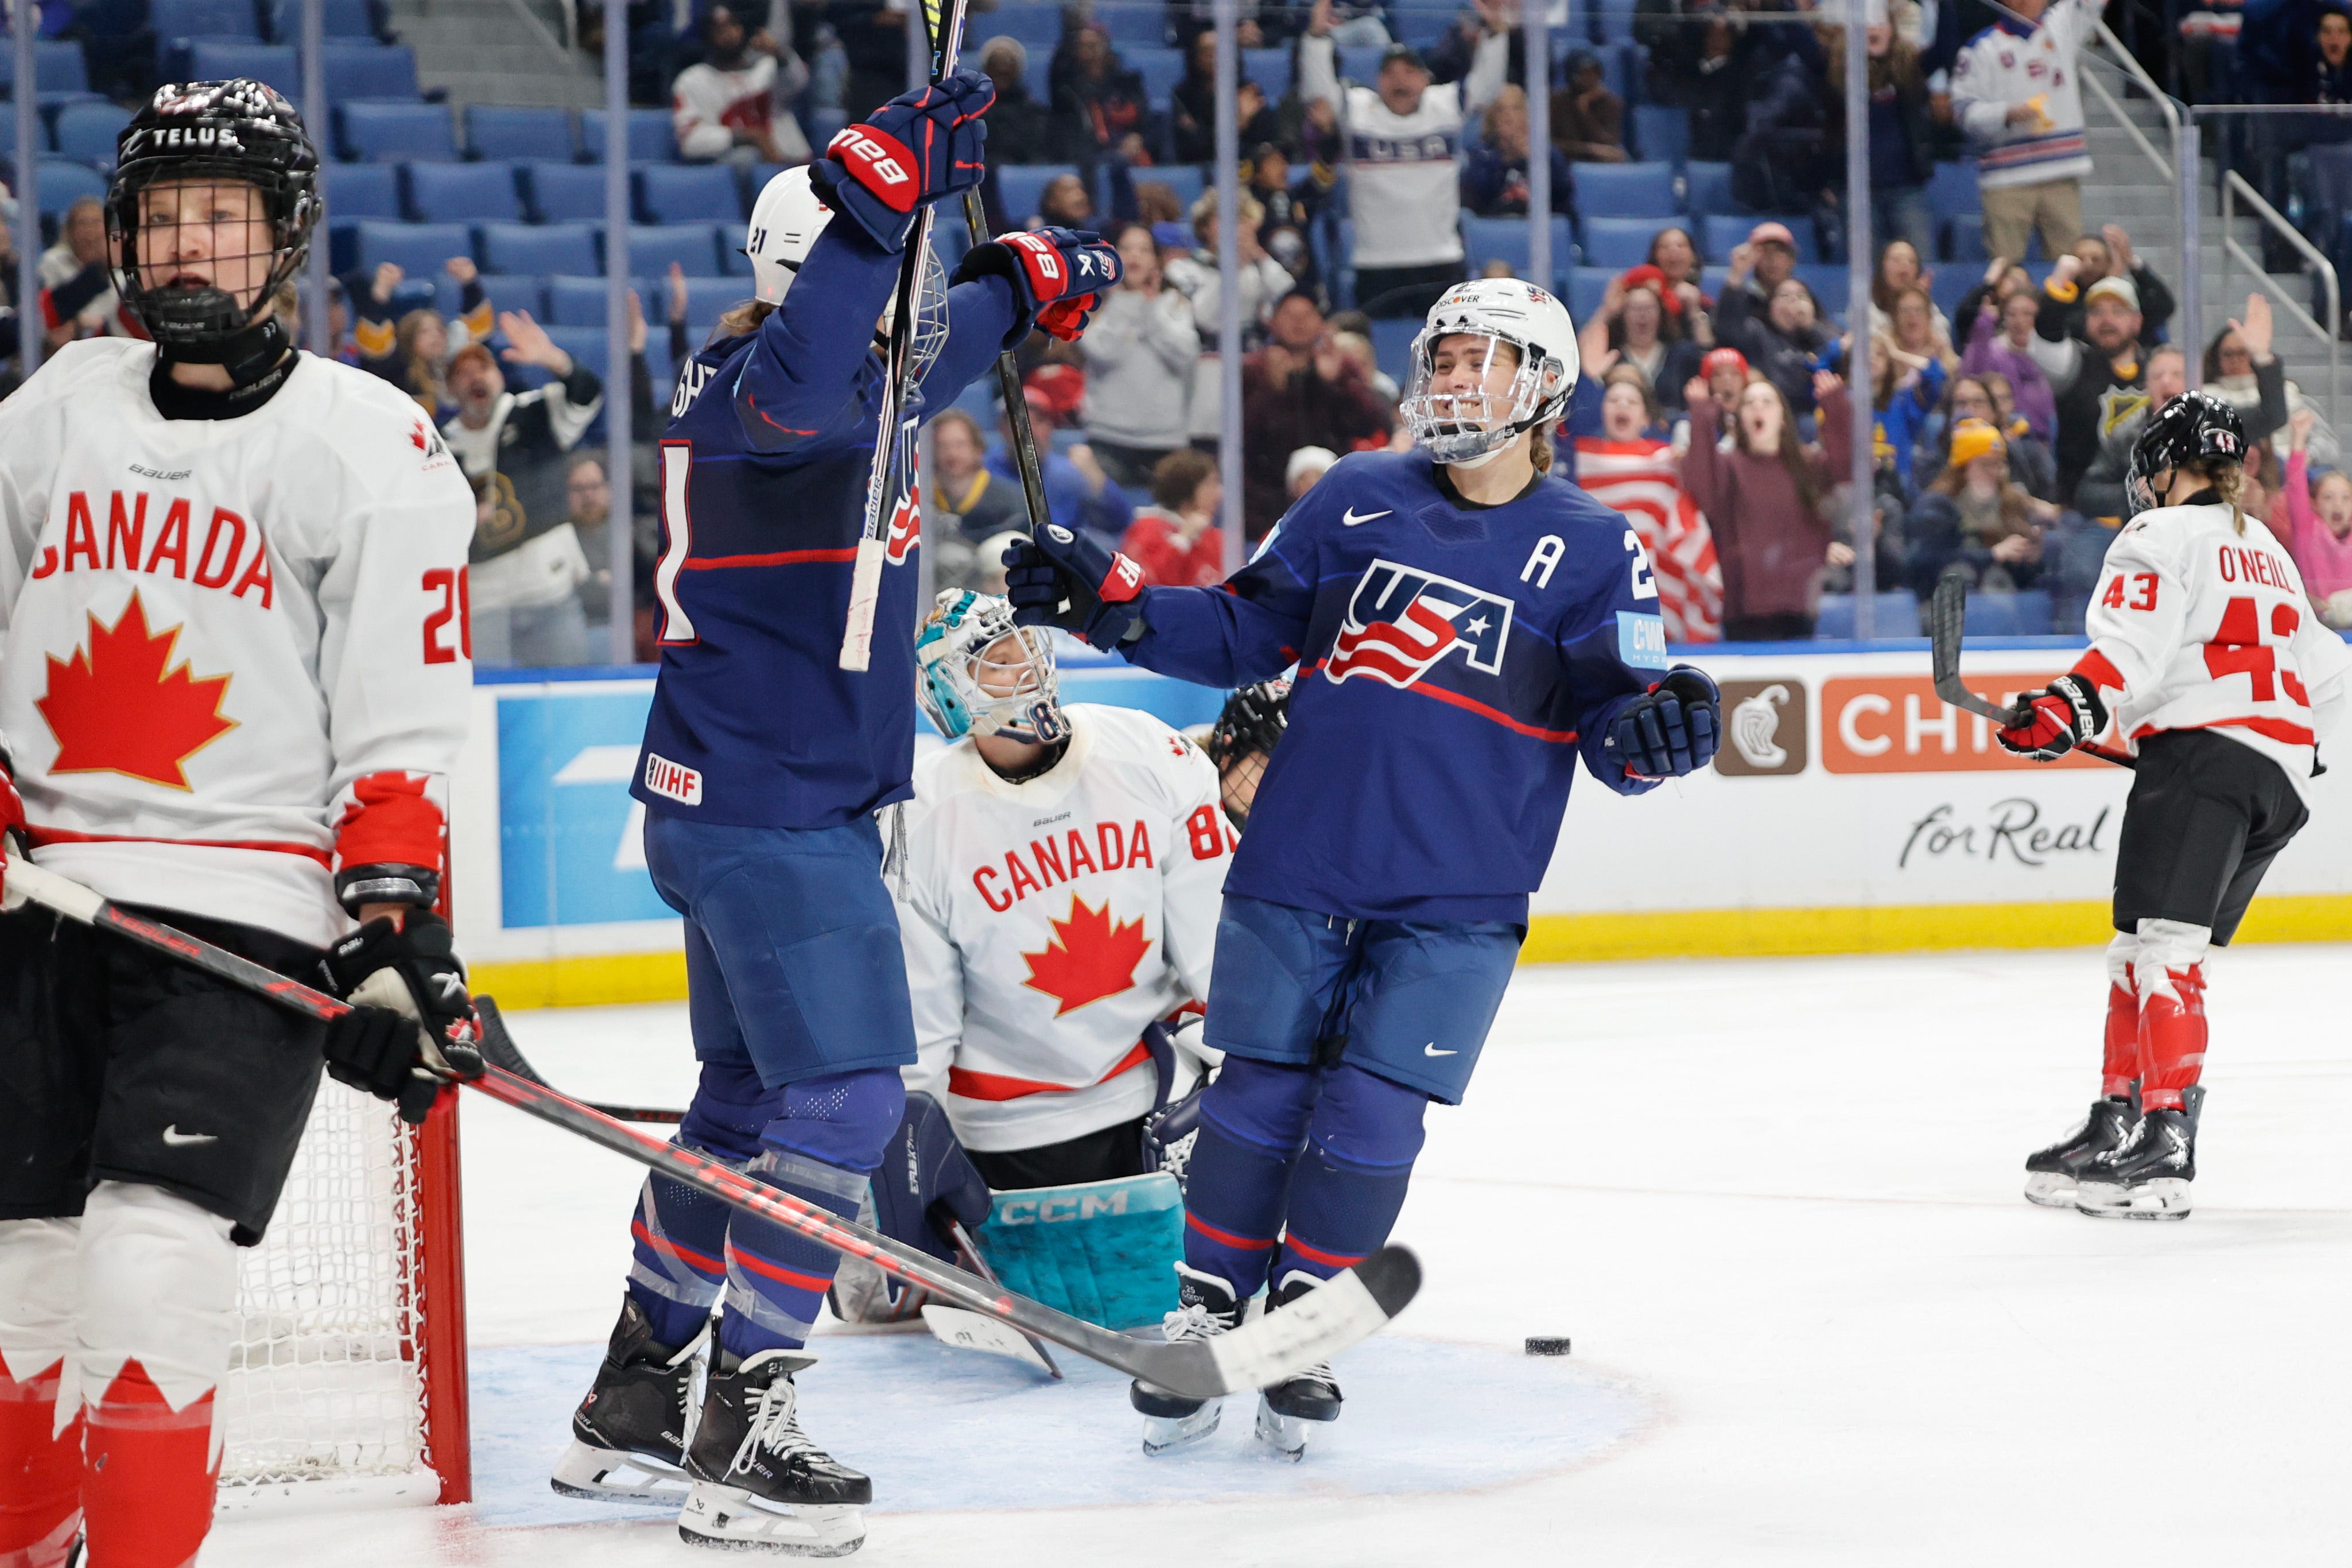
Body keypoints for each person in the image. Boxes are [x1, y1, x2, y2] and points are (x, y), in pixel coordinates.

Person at [1007, 276, 1720, 1458]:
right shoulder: (1353, 493)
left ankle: (1305, 1322)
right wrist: (1117, 609)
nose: (1454, 378)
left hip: (1459, 896)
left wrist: (1659, 735)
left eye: (1483, 359)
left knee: (1372, 1110)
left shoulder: (1597, 548)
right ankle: (1209, 1308)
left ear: (1546, 387)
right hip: (1302, 859)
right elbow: (1244, 628)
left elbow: (1619, 731)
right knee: (1255, 1096)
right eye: (1444, 357)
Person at [552, 79, 1119, 1548]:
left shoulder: (832, 370)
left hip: (728, 803)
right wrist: (885, 201)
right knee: (852, 1101)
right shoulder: (783, 394)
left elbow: (927, 340)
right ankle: (744, 1418)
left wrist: (1025, 274)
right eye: (885, 284)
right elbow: (824, 364)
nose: (909, 322)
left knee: (743, 1105)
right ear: (832, 271)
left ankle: (637, 1385)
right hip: (779, 812)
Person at [0, 78, 479, 1568]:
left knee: (150, 1274)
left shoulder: (373, 444)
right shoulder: (54, 410)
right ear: (123, 238)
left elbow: (400, 721)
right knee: (20, 1285)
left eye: (224, 215)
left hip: (246, 913)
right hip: (37, 893)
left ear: (285, 236)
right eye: (163, 218)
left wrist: (392, 930)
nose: (190, 246)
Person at [2006, 393, 2349, 1220]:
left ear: (2165, 466)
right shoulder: (2266, 547)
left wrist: (2067, 706)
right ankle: (2117, 1118)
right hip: (2274, 780)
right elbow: (2330, 671)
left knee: (2164, 951)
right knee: (2141, 947)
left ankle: (2163, 1141)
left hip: (2203, 763)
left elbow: (2131, 646)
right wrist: (2284, 745)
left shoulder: (2158, 534)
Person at [891, 589, 1226, 1189]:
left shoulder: (1145, 750)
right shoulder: (922, 819)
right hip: (1006, 1125)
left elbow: (1216, 939)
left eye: (1026, 644)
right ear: (950, 691)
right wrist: (911, 1140)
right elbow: (923, 1014)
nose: (1025, 665)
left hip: (1159, 1085)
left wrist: (1250, 1062)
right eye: (998, 660)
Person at [1299, 0, 1509, 317]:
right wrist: (1316, 37)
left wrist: (1496, 32)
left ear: (1425, 79)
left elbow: (1487, 88)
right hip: (1375, 262)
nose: (1400, 81)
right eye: (1390, 74)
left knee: (1444, 344)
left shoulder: (1446, 106)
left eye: (1409, 72)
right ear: (1377, 81)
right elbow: (1320, 97)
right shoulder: (1357, 110)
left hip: (1440, 258)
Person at [440, 313, 606, 667]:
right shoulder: (439, 446)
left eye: (483, 368)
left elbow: (588, 396)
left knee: (565, 696)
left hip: (550, 594)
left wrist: (555, 360)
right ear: (450, 389)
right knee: (484, 700)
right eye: (463, 373)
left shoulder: (534, 413)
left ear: (499, 377)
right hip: (482, 605)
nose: (475, 378)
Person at [1680, 367, 1853, 639]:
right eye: (1750, 403)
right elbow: (1701, 491)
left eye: (1767, 402)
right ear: (1739, 419)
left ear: (1782, 419)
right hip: (1744, 611)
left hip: (1799, 608)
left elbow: (1846, 469)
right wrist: (1701, 416)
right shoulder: (1727, 467)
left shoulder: (1807, 466)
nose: (1758, 408)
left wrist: (1835, 407)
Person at [1572, 363, 1722, 642]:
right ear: (1602, 411)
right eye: (1614, 400)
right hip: (1596, 587)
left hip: (1651, 585)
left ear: (1645, 418)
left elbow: (1688, 517)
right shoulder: (1580, 459)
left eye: (1632, 402)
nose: (1622, 406)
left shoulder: (1665, 462)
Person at [1238, 290, 1396, 536]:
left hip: (1336, 495)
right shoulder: (1254, 369)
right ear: (1272, 322)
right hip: (1267, 501)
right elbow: (1240, 438)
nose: (1298, 323)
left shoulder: (1341, 365)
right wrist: (1272, 391)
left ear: (1322, 323)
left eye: (1307, 315)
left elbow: (1375, 424)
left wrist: (1336, 383)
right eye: (1290, 315)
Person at [1952, 0, 2092, 263]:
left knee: (2071, 267)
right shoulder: (1981, 47)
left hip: (2060, 174)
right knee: (2004, 270)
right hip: (2006, 180)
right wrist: (2006, 113)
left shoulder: (2061, 25)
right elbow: (1963, 113)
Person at [1081, 222, 1198, 492]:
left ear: (1156, 259)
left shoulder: (1175, 303)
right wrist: (1123, 303)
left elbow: (1185, 356)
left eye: (1144, 250)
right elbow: (1103, 353)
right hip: (1108, 439)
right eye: (1126, 248)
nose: (1135, 256)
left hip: (1166, 441)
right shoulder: (1094, 304)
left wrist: (1152, 310)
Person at [2030, 258, 2150, 505]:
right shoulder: (2074, 363)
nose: (2107, 320)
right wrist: (2061, 277)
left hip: (2152, 506)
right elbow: (2046, 333)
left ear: (2137, 322)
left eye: (2118, 311)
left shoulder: (2159, 369)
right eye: (2097, 312)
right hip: (2083, 509)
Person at [1905, 418, 2057, 595]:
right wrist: (1992, 556)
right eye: (1986, 464)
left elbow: (2022, 580)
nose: (1996, 473)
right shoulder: (1936, 505)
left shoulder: (2008, 503)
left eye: (2000, 464)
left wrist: (2031, 560)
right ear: (1964, 469)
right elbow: (1923, 565)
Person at [1832, 7, 1936, 259]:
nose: (1873, 29)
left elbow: (1944, 49)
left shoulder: (1910, 70)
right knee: (1865, 268)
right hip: (1856, 192)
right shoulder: (1835, 74)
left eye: (1880, 23)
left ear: (1892, 29)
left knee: (1922, 262)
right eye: (1866, 24)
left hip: (1906, 187)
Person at [2201, 294, 2339, 465]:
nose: (2236, 360)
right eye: (2228, 354)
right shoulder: (2206, 397)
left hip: (2292, 469)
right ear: (2216, 358)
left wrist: (2299, 461)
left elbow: (2326, 444)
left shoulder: (2288, 392)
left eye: (2243, 352)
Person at [670, 3, 812, 165]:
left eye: (734, 25)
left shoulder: (768, 68)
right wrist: (745, 136)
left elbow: (800, 83)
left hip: (793, 160)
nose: (729, 34)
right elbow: (689, 142)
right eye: (719, 30)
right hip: (744, 167)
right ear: (707, 37)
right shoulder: (692, 80)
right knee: (744, 157)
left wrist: (779, 53)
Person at [354, 257, 492, 416]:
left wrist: (470, 284)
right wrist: (381, 292)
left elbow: (478, 337)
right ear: (408, 339)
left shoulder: (455, 370)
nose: (435, 336)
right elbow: (375, 344)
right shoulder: (397, 371)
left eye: (440, 331)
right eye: (425, 332)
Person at [1579, 270, 1706, 413]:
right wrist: (1607, 310)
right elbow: (1579, 357)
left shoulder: (1681, 354)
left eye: (1649, 308)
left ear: (1661, 314)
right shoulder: (1611, 357)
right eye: (1635, 309)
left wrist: (1694, 310)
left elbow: (1708, 353)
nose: (1642, 315)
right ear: (1623, 315)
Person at [1718, 274, 1837, 416]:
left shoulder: (1824, 332)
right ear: (1771, 305)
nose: (1793, 303)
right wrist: (1735, 280)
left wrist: (1811, 326)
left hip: (1819, 414)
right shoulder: (1758, 332)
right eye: (1784, 296)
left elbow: (1844, 355)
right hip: (1771, 412)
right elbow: (1727, 329)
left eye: (1801, 297)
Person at [2276, 407, 2352, 628]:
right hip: (2317, 627)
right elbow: (2295, 485)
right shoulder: (2308, 530)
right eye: (2328, 498)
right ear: (2315, 505)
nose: (2338, 505)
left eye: (2346, 498)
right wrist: (2298, 438)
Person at [2041, 226, 2174, 348]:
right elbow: (2059, 328)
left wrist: (2133, 263)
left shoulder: (2126, 295)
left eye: (2096, 259)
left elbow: (2164, 307)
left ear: (2108, 262)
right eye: (2081, 259)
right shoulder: (2065, 302)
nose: (2088, 264)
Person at [1960, 280, 2058, 442]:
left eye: (2028, 314)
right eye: (2012, 314)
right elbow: (1972, 378)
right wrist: (1983, 329)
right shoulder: (1991, 351)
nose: (2019, 321)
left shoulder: (2054, 356)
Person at [1461, 84, 1579, 219]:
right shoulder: (1481, 153)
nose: (1509, 116)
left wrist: (1530, 160)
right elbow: (1477, 200)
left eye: (1516, 109)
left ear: (1525, 113)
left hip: (1539, 223)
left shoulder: (1546, 152)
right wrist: (1506, 160)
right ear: (1492, 117)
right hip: (1496, 224)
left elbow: (1564, 193)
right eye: (1501, 110)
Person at [37, 196, 136, 346]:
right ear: (69, 232)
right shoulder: (52, 263)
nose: (90, 232)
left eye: (96, 223)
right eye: (82, 223)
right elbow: (49, 314)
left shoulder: (125, 272)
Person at [1121, 449, 1227, 586]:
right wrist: (1182, 540)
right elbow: (1147, 585)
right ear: (1185, 488)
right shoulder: (1147, 529)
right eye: (1210, 484)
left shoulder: (1217, 538)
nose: (1219, 493)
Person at [930, 406, 1027, 544]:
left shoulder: (1012, 501)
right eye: (942, 446)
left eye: (960, 445)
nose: (952, 454)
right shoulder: (921, 499)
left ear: (978, 449)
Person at [1552, 48, 1628, 162]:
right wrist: (1590, 149)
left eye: (1594, 74)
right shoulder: (1557, 101)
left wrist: (1584, 112)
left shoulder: (1610, 102)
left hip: (1602, 163)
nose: (1590, 79)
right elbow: (1552, 144)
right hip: (1567, 162)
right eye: (1584, 74)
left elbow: (1610, 144)